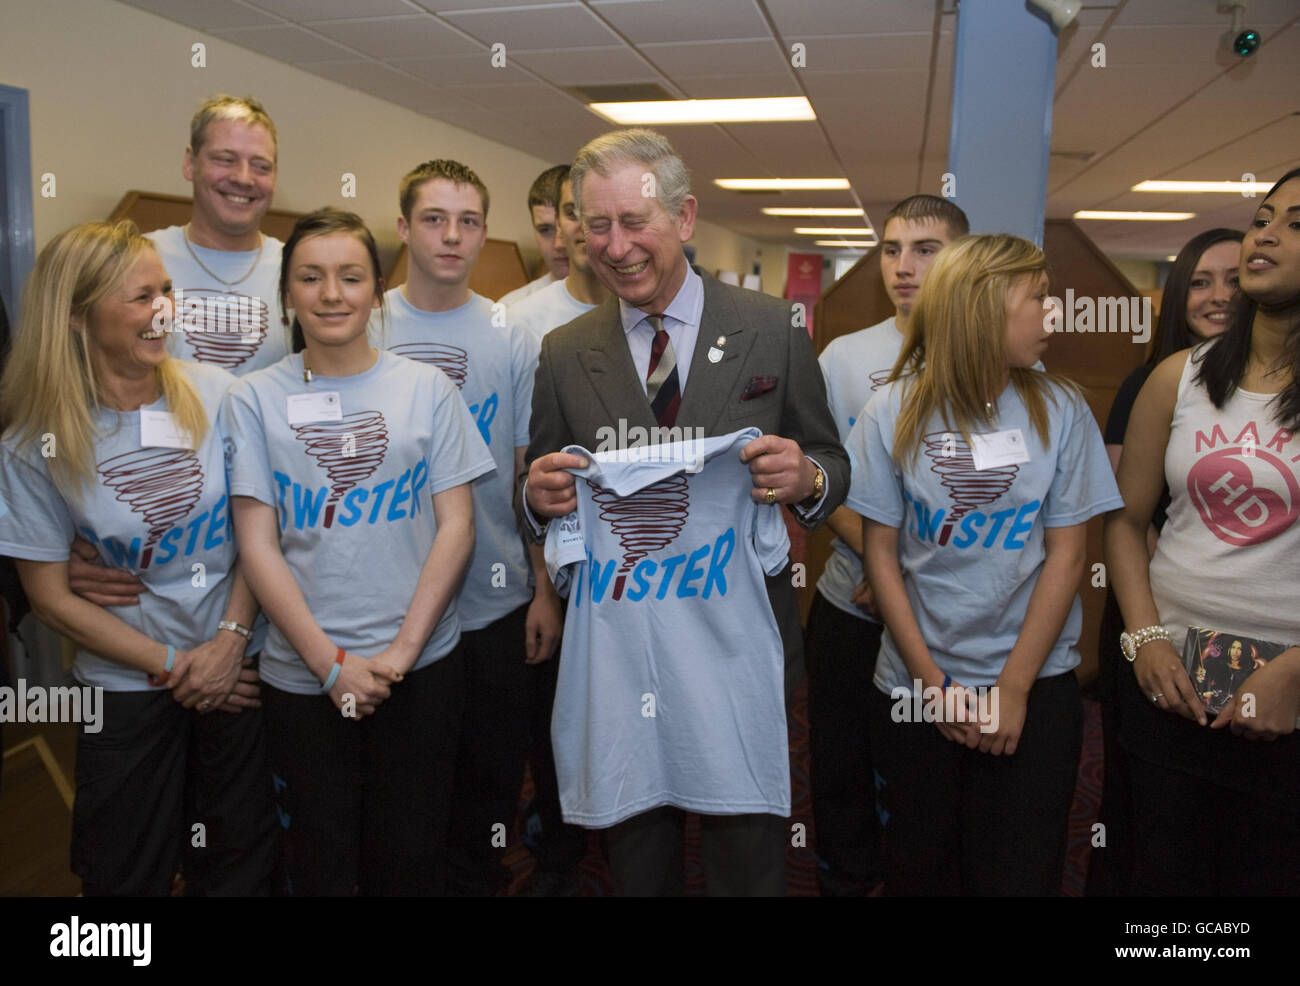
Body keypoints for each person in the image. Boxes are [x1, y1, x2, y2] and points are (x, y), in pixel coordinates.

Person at [522, 128, 848, 896]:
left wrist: (804, 477)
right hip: (625, 645)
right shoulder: (566, 350)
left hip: (741, 639)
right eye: (595, 226)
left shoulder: (771, 326)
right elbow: (540, 487)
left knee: (747, 855)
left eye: (635, 223)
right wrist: (537, 500)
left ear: (686, 217)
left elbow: (834, 464)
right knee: (639, 856)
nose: (616, 245)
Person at [222, 208, 494, 895]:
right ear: (287, 293)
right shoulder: (253, 400)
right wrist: (329, 664)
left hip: (420, 668)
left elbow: (456, 527)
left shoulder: (428, 389)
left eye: (350, 277)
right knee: (319, 856)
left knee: (410, 853)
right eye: (310, 278)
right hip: (303, 676)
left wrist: (399, 655)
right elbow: (257, 542)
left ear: (378, 293)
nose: (331, 294)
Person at [0, 220, 273, 895]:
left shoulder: (223, 396)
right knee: (124, 870)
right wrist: (181, 669)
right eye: (139, 297)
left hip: (236, 666)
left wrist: (229, 645)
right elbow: (49, 597)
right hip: (127, 684)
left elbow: (258, 538)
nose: (164, 311)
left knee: (240, 860)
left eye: (167, 291)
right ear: (75, 316)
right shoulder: (35, 443)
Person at [848, 233, 1122, 896]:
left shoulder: (1062, 409)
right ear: (984, 308)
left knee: (1019, 870)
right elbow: (880, 555)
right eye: (1041, 299)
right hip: (917, 684)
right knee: (919, 866)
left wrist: (1013, 691)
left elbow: (1067, 554)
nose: (1053, 315)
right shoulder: (893, 408)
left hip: (1033, 683)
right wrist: (934, 686)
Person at [1104, 167, 1300, 895]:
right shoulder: (1178, 378)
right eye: (1263, 216)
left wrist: (1295, 673)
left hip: (1290, 691)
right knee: (1169, 884)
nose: (1267, 233)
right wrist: (1146, 640)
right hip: (1173, 681)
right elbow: (1125, 524)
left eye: (1295, 222)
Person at [380, 159, 562, 895]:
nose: (451, 237)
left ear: (485, 232)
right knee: (406, 787)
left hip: (494, 595)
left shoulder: (509, 333)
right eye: (433, 219)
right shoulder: (365, 321)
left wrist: (542, 587)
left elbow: (528, 474)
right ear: (403, 227)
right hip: (393, 599)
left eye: (468, 222)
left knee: (488, 782)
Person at [61, 95, 289, 616]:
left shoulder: (298, 271)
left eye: (261, 165)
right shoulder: (137, 256)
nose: (244, 177)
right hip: (158, 515)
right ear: (190, 163)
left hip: (271, 516)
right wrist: (65, 540)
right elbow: (68, 386)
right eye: (224, 159)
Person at [808, 193, 968, 896]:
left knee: (924, 772)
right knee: (840, 760)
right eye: (891, 248)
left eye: (925, 249)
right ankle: (846, 878)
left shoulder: (984, 359)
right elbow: (823, 477)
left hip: (944, 606)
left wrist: (905, 573)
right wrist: (881, 563)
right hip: (852, 596)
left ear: (959, 257)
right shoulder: (844, 356)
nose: (904, 266)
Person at [1088, 226, 1242, 896]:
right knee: (1149, 812)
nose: (1218, 296)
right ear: (1179, 295)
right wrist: (1161, 624)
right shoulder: (1152, 383)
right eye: (1202, 282)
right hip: (1151, 617)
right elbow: (1129, 515)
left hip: (1253, 640)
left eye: (1235, 279)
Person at [506, 167, 611, 896]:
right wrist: (543, 583)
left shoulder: (657, 316)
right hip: (560, 566)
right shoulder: (520, 320)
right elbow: (527, 470)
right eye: (566, 215)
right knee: (554, 715)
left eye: (589, 214)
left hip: (639, 561)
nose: (576, 229)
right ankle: (563, 849)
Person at [509, 168, 611, 344]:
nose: (558, 244)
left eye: (595, 213)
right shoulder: (514, 315)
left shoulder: (641, 308)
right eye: (571, 213)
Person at [498, 164, 570, 307]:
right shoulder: (509, 307)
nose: (559, 244)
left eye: (567, 228)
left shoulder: (623, 303)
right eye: (545, 230)